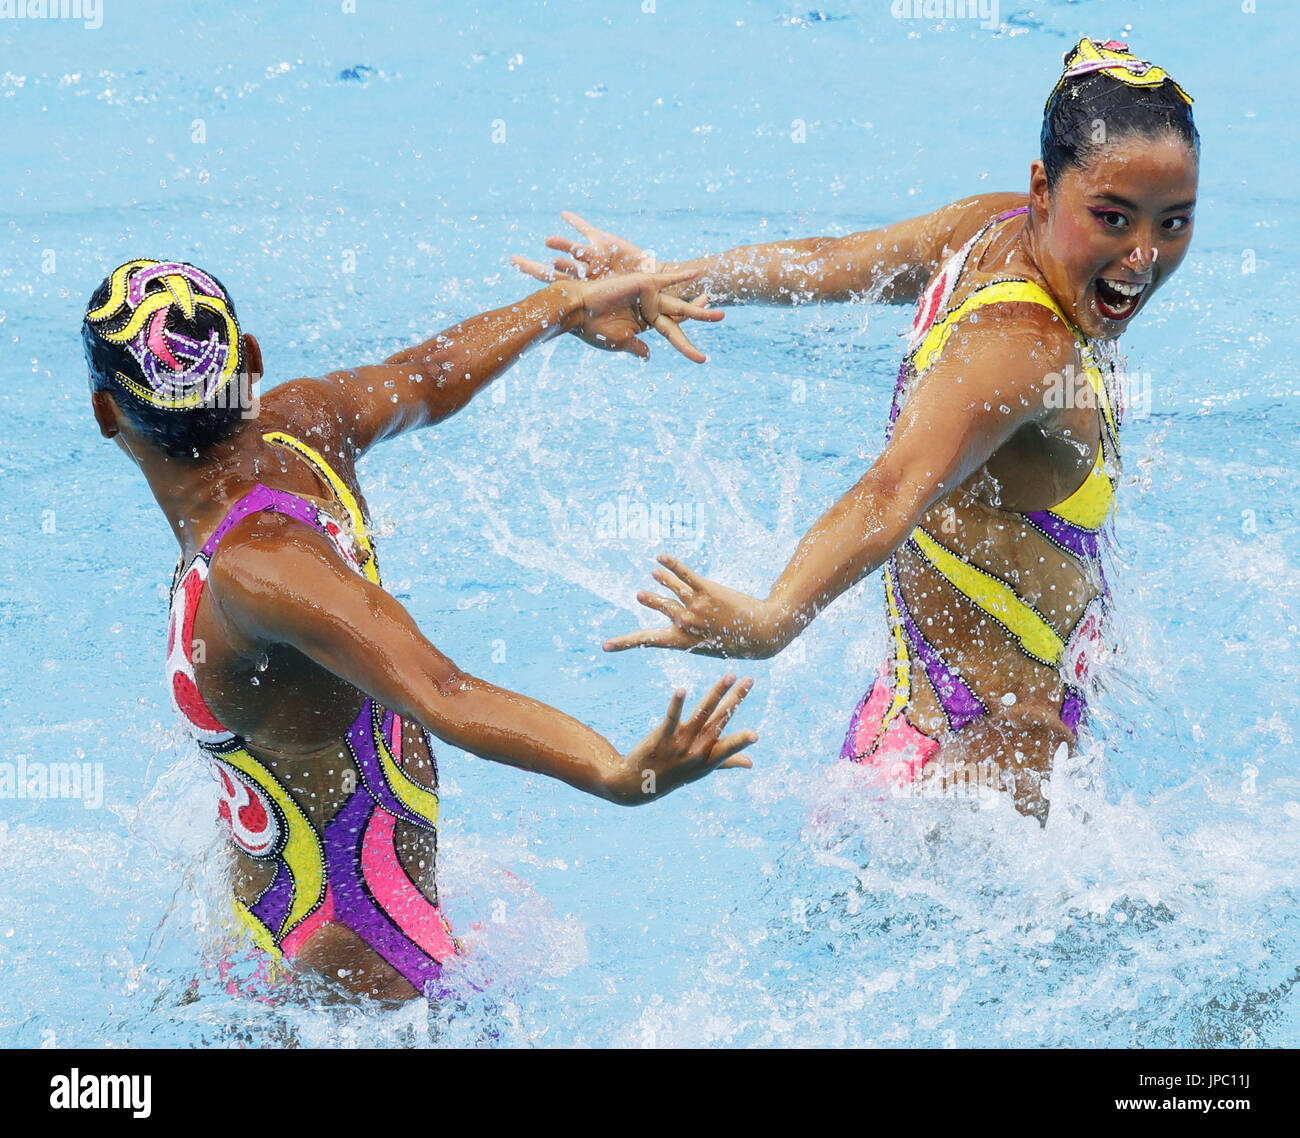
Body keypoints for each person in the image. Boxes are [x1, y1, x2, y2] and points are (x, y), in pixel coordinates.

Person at [514, 38, 1199, 822]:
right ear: (1042, 192)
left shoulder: (995, 242)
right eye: (1113, 219)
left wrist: (662, 282)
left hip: (987, 734)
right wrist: (773, 621)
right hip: (973, 729)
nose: (1144, 258)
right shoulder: (1018, 328)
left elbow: (833, 272)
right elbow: (890, 472)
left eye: (1173, 223)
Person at [83, 256, 757, 1001]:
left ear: (106, 412)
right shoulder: (305, 427)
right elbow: (425, 377)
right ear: (251, 363)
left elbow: (441, 688)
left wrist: (615, 773)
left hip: (350, 967)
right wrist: (561, 305)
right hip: (314, 941)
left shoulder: (256, 570)